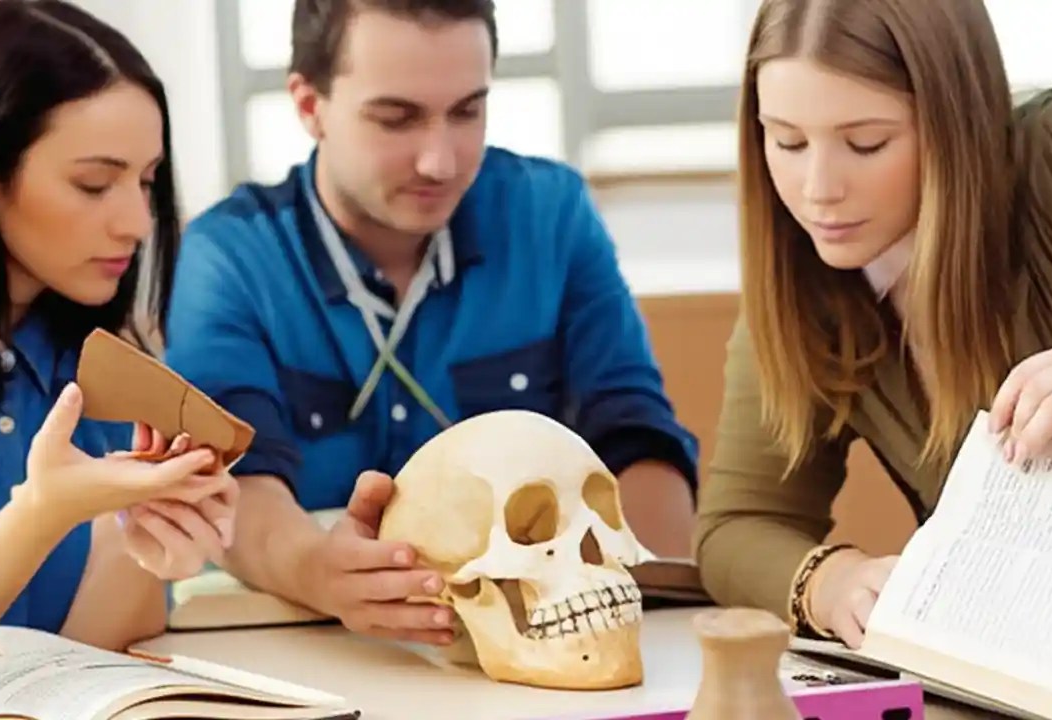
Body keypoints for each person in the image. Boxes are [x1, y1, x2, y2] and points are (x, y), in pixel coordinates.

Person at [163, 0, 699, 646]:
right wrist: (317, 571)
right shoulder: (228, 255)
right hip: (310, 649)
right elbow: (234, 483)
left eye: (468, 111)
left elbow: (638, 441)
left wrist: (638, 605)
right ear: (310, 106)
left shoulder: (552, 215)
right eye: (397, 119)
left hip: (544, 647)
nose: (440, 162)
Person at [694, 0, 1052, 655]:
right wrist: (830, 582)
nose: (818, 188)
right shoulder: (802, 295)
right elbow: (737, 525)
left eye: (866, 143)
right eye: (786, 140)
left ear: (957, 120)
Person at [0, 0, 239, 651]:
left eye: (147, 182)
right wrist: (46, 510)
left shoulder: (115, 379)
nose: (137, 224)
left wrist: (140, 540)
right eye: (94, 184)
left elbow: (73, 671)